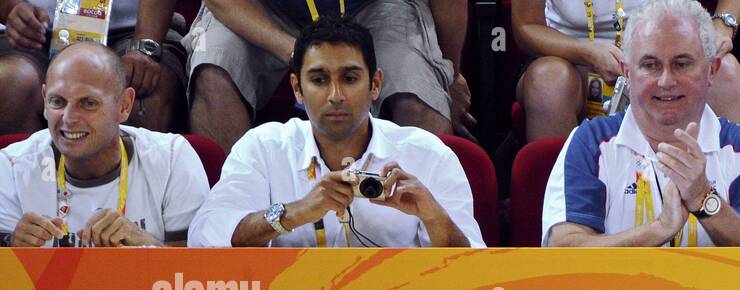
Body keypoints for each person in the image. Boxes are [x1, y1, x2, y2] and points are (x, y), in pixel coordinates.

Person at [188, 17, 482, 248]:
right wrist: (295, 213)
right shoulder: (262, 148)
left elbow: (472, 271)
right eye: (319, 80)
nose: (335, 95)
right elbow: (205, 237)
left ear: (375, 84)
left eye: (350, 78)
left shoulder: (428, 155)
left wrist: (433, 216)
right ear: (297, 88)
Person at [542, 0, 740, 248]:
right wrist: (658, 229)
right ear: (627, 72)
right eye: (650, 65)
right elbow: (562, 249)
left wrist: (704, 199)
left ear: (712, 70)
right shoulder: (590, 142)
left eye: (681, 64)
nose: (666, 81)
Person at [186, 0, 471, 155]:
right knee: (214, 72)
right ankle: (228, 218)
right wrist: (296, 53)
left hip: (376, 5)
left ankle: (433, 225)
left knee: (416, 91)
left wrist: (449, 76)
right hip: (261, 8)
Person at [0, 42, 208, 248]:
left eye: (88, 103)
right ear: (44, 100)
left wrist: (147, 245)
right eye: (57, 102)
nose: (69, 118)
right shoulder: (10, 167)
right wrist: (11, 247)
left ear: (124, 105)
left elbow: (197, 266)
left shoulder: (172, 159)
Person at [513, 0, 740, 142]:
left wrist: (722, 25)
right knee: (549, 83)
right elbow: (526, 26)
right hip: (576, 57)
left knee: (725, 72)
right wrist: (586, 52)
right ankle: (560, 205)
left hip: (668, 49)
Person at [0, 0, 187, 133]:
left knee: (143, 92)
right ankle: (35, 175)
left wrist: (145, 45)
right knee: (10, 82)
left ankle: (128, 178)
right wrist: (10, 8)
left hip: (133, 28)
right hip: (35, 29)